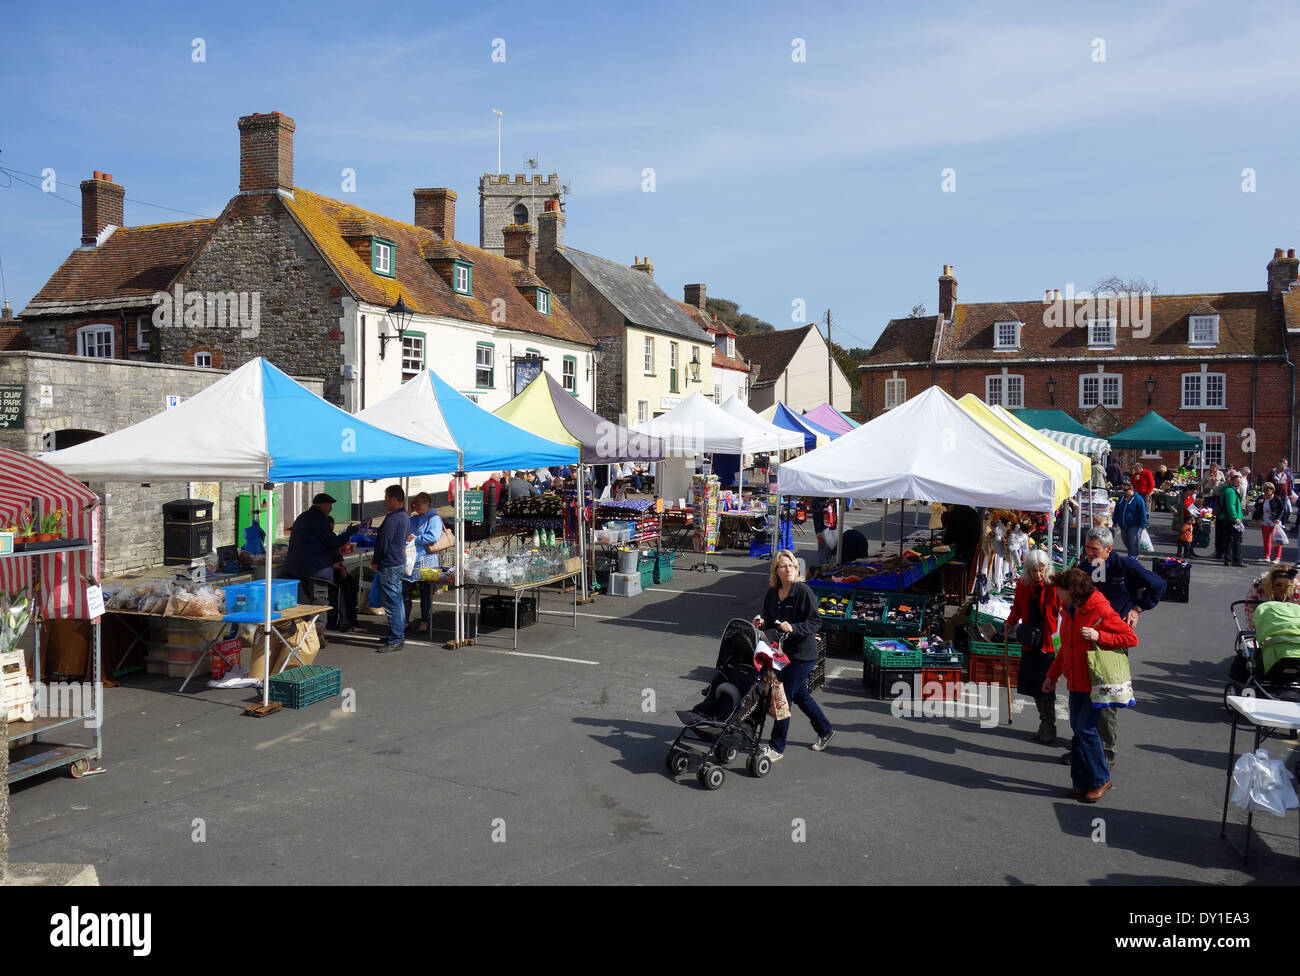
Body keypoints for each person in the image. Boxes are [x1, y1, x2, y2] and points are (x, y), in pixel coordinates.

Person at [1069, 526, 1165, 769]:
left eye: (1094, 549)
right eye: (1087, 548)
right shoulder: (1085, 566)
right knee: (1081, 692)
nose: (1089, 553)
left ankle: (1106, 749)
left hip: (1113, 639)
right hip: (1085, 636)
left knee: (1107, 693)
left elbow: (1158, 585)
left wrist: (1137, 608)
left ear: (1109, 549)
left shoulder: (1126, 567)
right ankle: (1083, 745)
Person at [1043, 567, 1138, 803]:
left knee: (1085, 730)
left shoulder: (1100, 608)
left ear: (1073, 591)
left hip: (1096, 682)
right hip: (1075, 680)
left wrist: (1100, 637)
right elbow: (1065, 646)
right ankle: (1081, 781)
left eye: (1061, 591)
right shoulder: (1070, 609)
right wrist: (1051, 676)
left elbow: (1130, 638)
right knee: (1078, 730)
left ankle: (1100, 778)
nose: (1058, 595)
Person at [753, 549, 834, 760]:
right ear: (776, 571)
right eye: (783, 566)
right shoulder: (772, 593)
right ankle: (825, 730)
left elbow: (815, 622)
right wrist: (762, 622)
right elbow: (770, 619)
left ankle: (776, 747)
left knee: (783, 697)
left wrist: (794, 628)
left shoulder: (803, 591)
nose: (788, 569)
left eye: (791, 565)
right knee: (800, 695)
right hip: (782, 653)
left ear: (796, 569)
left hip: (803, 654)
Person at [1003, 550, 1061, 745]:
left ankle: (1049, 726)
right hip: (1030, 640)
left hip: (1050, 641)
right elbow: (1017, 607)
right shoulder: (1022, 584)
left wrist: (1062, 643)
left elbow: (1064, 610)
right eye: (1034, 571)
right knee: (1034, 686)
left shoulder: (1054, 585)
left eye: (1041, 571)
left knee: (1047, 686)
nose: (1038, 575)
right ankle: (1044, 723)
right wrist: (1010, 622)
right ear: (1028, 571)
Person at [281, 492, 356, 607]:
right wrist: (349, 532)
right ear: (321, 505)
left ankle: (306, 625)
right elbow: (333, 542)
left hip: (296, 568)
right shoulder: (320, 519)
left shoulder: (302, 517)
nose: (331, 508)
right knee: (319, 604)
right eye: (329, 504)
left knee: (303, 605)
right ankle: (319, 625)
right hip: (315, 570)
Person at [370, 484, 411, 652]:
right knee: (397, 600)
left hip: (390, 563)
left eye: (386, 498)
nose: (385, 501)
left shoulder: (393, 518)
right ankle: (397, 633)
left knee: (392, 602)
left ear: (394, 499)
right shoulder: (404, 516)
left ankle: (396, 638)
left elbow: (384, 542)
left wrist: (376, 560)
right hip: (398, 561)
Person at [404, 492, 445, 636]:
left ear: (427, 503)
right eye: (415, 505)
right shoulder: (413, 518)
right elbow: (403, 527)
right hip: (410, 560)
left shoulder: (433, 518)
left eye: (419, 505)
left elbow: (433, 536)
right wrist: (408, 511)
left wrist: (416, 539)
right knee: (405, 592)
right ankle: (405, 621)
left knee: (425, 593)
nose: (417, 507)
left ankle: (424, 621)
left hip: (426, 560)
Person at [325, 516, 359, 632]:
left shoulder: (332, 536)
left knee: (353, 583)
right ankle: (342, 620)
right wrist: (337, 567)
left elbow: (338, 554)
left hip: (337, 569)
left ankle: (352, 617)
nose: (331, 526)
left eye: (332, 524)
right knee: (343, 588)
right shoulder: (321, 538)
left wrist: (342, 568)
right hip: (328, 571)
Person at [1112, 483, 1148, 559]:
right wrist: (1115, 521)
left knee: (1133, 543)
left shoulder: (1138, 499)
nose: (1124, 492)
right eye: (1123, 490)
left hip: (1134, 525)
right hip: (1123, 525)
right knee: (1126, 541)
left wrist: (1143, 525)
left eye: (1126, 490)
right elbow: (1117, 511)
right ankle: (1132, 554)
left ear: (1132, 490)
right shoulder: (1121, 499)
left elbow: (1142, 513)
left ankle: (1133, 559)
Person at [1256, 481, 1286, 564]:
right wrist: (1259, 504)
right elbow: (1256, 509)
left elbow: (1282, 510)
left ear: (1273, 490)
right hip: (1265, 522)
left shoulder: (1276, 498)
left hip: (1274, 523)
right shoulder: (1261, 498)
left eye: (1271, 488)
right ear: (1264, 490)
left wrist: (1278, 518)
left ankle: (1277, 558)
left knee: (1276, 540)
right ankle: (1267, 557)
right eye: (1267, 488)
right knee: (1266, 540)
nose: (1269, 490)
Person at [1221, 474, 1246, 567]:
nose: (1238, 484)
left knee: (1229, 540)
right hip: (1233, 520)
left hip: (1231, 519)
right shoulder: (1231, 491)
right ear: (1231, 481)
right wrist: (1235, 517)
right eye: (1237, 482)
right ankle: (1237, 560)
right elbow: (1230, 505)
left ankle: (1229, 559)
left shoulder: (1231, 490)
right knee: (1236, 540)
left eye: (1240, 482)